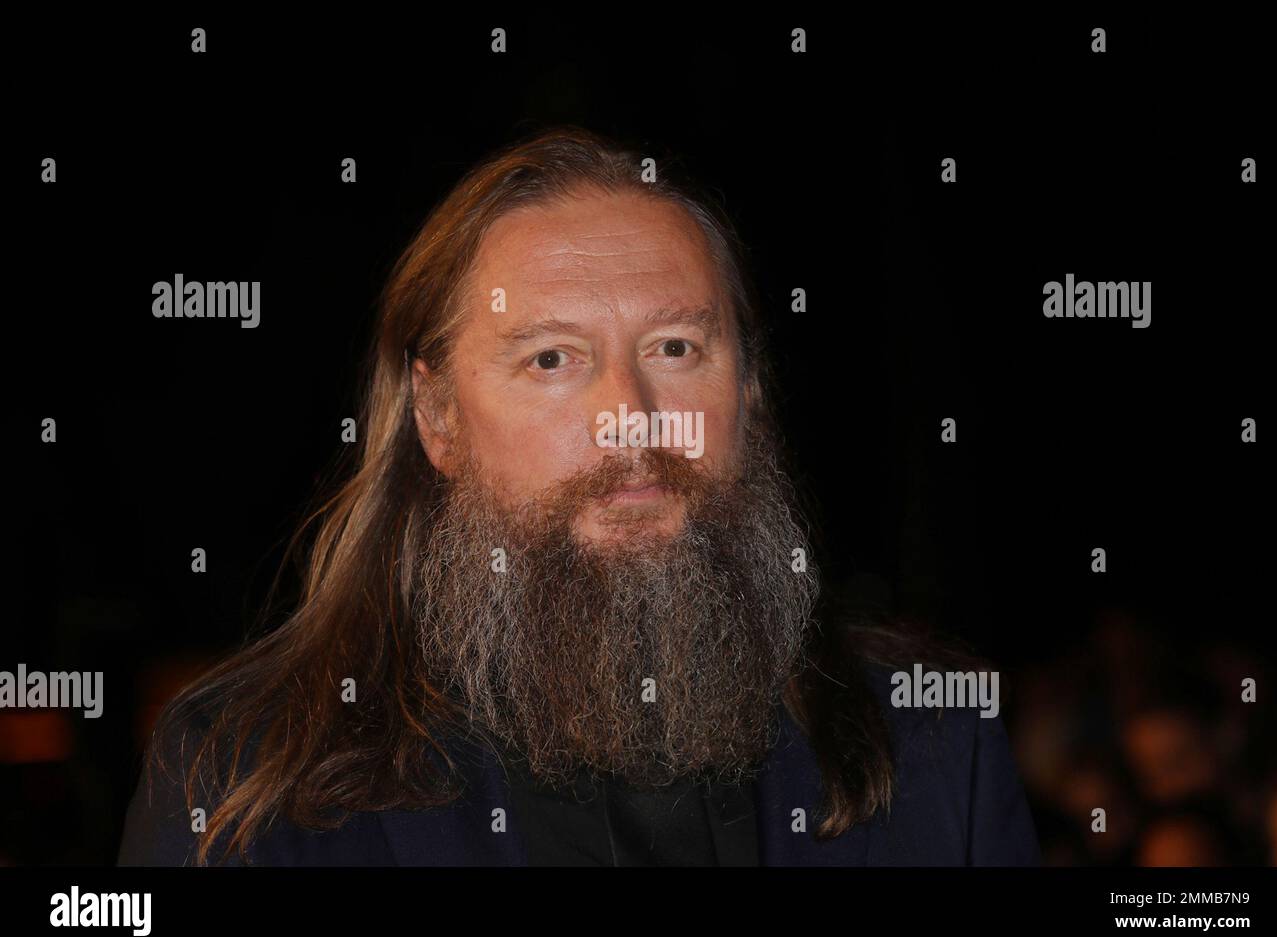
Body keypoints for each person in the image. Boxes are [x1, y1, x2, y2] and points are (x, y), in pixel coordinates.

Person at [118, 125, 1041, 866]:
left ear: (749, 393)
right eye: (552, 360)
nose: (630, 419)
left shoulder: (933, 741)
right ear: (436, 418)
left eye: (675, 348)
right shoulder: (245, 776)